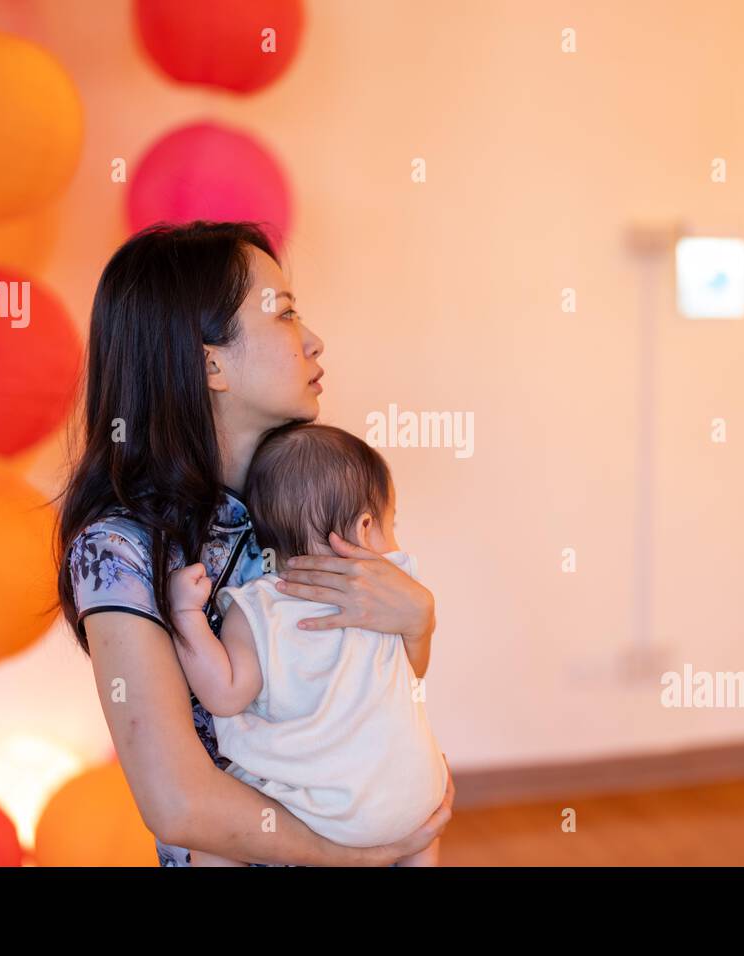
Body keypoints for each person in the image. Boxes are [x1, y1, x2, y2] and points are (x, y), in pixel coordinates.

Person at [57, 221, 453, 866]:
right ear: (210, 362)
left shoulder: (313, 496)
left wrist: (419, 625)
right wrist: (351, 855)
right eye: (285, 315)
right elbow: (178, 802)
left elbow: (361, 677)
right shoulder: (119, 553)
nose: (314, 341)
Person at [169, 423, 448, 867]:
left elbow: (224, 696)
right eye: (392, 524)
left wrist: (186, 616)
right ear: (366, 526)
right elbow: (413, 672)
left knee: (210, 840)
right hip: (415, 797)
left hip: (324, 811)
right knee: (422, 818)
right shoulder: (396, 583)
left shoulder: (260, 607)